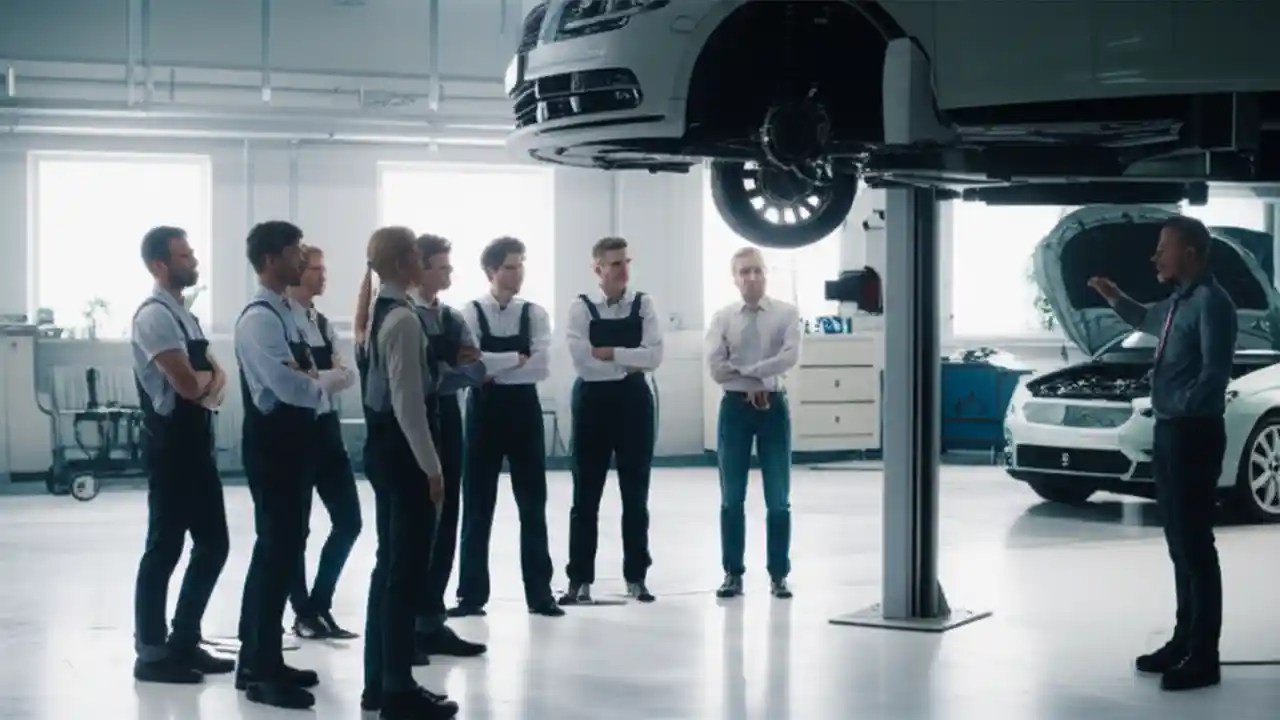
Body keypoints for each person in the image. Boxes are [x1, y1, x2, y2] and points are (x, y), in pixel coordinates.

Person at [1088, 215, 1236, 692]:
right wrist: (1113, 296)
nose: (1155, 256)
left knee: (1196, 547)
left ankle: (1204, 657)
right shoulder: (1179, 302)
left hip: (1193, 433)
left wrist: (1182, 406)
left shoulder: (1212, 303)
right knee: (1178, 544)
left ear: (1189, 254)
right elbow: (1145, 319)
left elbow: (1215, 372)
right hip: (1172, 432)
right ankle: (1182, 641)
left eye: (1163, 248)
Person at [233, 221, 343, 710]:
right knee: (275, 552)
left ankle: (265, 659)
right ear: (273, 258)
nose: (304, 259)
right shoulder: (260, 318)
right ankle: (258, 670)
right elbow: (293, 386)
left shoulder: (290, 314)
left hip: (297, 441)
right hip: (274, 444)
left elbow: (312, 374)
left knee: (283, 550)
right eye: (297, 251)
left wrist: (316, 377)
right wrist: (322, 378)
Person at [359, 226, 458, 719]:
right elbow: (408, 404)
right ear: (403, 264)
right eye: (419, 255)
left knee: (389, 568)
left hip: (382, 453)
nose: (425, 261)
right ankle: (397, 688)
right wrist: (432, 467)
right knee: (404, 574)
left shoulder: (380, 311)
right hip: (404, 456)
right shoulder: (403, 320)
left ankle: (378, 681)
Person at [130, 225, 233, 684]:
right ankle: (151, 654)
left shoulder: (185, 316)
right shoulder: (153, 317)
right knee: (164, 548)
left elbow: (218, 377)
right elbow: (192, 384)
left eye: (191, 253)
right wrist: (206, 383)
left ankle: (185, 641)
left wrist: (207, 383)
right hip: (171, 447)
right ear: (159, 265)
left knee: (214, 543)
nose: (193, 261)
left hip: (197, 442)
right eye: (183, 255)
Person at [452, 236, 563, 618]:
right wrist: (516, 359)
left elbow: (542, 367)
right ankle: (470, 596)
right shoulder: (469, 312)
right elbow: (470, 365)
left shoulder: (534, 313)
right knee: (478, 505)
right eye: (511, 267)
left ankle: (540, 594)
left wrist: (493, 367)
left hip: (522, 410)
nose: (519, 273)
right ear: (491, 271)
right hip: (483, 412)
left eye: (521, 265)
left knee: (533, 504)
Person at [561, 236, 663, 605]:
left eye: (626, 262)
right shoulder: (581, 308)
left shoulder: (643, 303)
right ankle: (579, 580)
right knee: (585, 495)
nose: (623, 269)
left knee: (636, 494)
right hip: (592, 403)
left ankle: (637, 577)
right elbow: (582, 361)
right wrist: (628, 361)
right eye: (615, 263)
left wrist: (612, 354)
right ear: (598, 269)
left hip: (635, 402)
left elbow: (654, 356)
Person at [407, 234, 488, 657]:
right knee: (419, 523)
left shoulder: (453, 317)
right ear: (419, 268)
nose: (449, 273)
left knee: (448, 518)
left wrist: (442, 372)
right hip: (416, 422)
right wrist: (446, 369)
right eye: (441, 266)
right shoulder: (403, 316)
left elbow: (475, 368)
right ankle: (408, 627)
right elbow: (415, 379)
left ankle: (432, 620)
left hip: (449, 420)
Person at [705, 246, 800, 601]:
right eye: (744, 272)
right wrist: (758, 378)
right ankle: (733, 574)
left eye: (757, 270)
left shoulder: (787, 314)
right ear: (734, 278)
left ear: (766, 273)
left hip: (774, 409)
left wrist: (748, 376)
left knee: (779, 498)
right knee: (732, 497)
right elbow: (716, 368)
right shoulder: (723, 317)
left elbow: (790, 356)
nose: (752, 277)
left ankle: (779, 575)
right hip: (735, 411)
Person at [285, 244, 362, 640]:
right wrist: (323, 375)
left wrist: (318, 376)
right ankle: (302, 612)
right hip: (295, 434)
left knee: (350, 521)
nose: (322, 274)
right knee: (295, 530)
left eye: (323, 266)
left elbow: (346, 374)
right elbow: (302, 379)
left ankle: (319, 604)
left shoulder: (322, 321)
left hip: (327, 429)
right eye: (314, 268)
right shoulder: (280, 322)